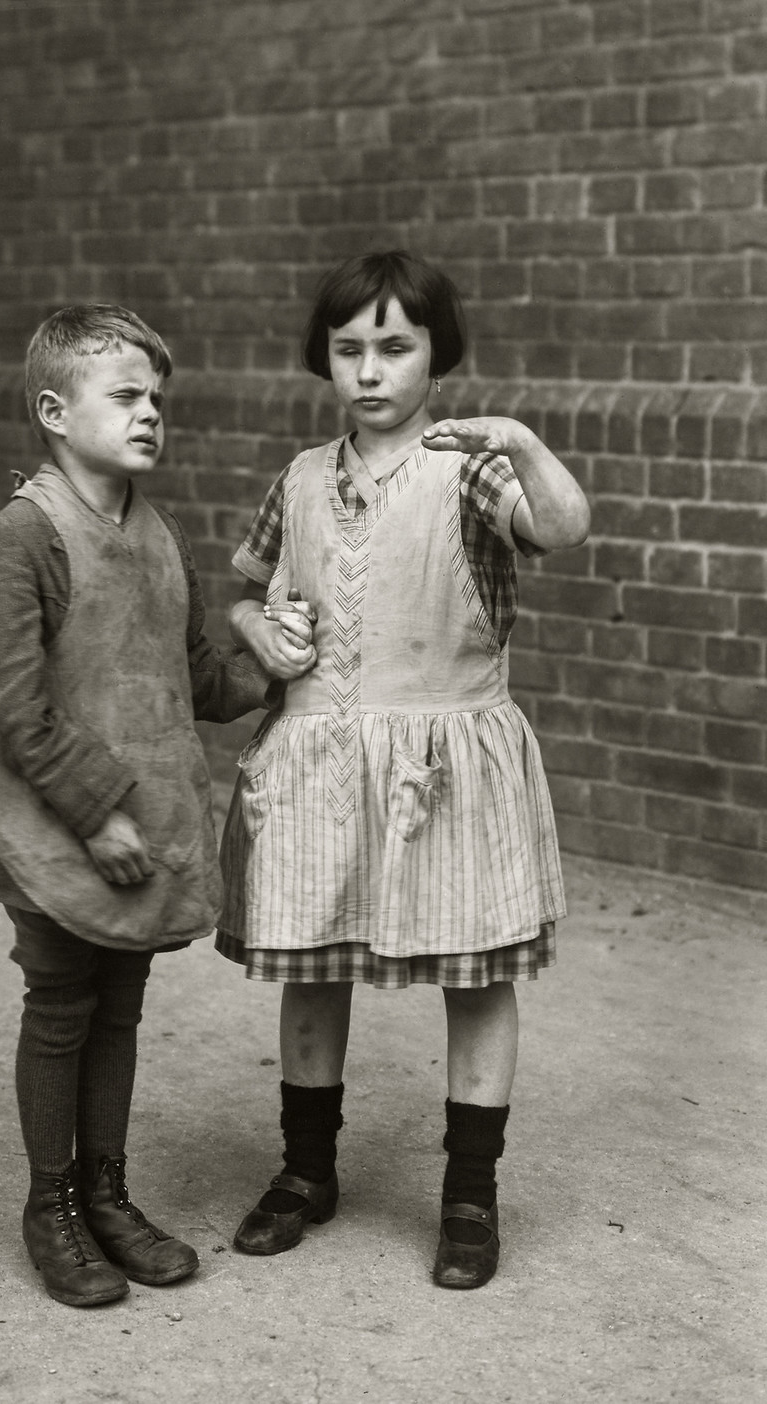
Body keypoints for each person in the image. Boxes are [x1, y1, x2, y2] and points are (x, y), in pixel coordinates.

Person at [216, 250, 591, 1289]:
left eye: (394, 346)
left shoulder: (469, 465)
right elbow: (248, 593)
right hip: (319, 759)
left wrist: (520, 442)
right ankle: (305, 1174)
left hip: (445, 757)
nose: (370, 371)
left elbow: (560, 528)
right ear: (323, 359)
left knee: (475, 976)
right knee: (310, 965)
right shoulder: (296, 477)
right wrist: (260, 628)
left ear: (435, 354)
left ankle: (469, 1195)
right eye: (349, 350)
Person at [0, 303, 309, 1308]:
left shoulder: (157, 532)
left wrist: (275, 666)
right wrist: (97, 812)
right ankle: (50, 1206)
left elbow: (192, 680)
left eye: (158, 397)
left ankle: (107, 1197)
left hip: (140, 829)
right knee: (62, 1006)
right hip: (56, 830)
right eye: (126, 395)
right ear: (56, 411)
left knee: (120, 1009)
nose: (151, 412)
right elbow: (13, 709)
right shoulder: (20, 539)